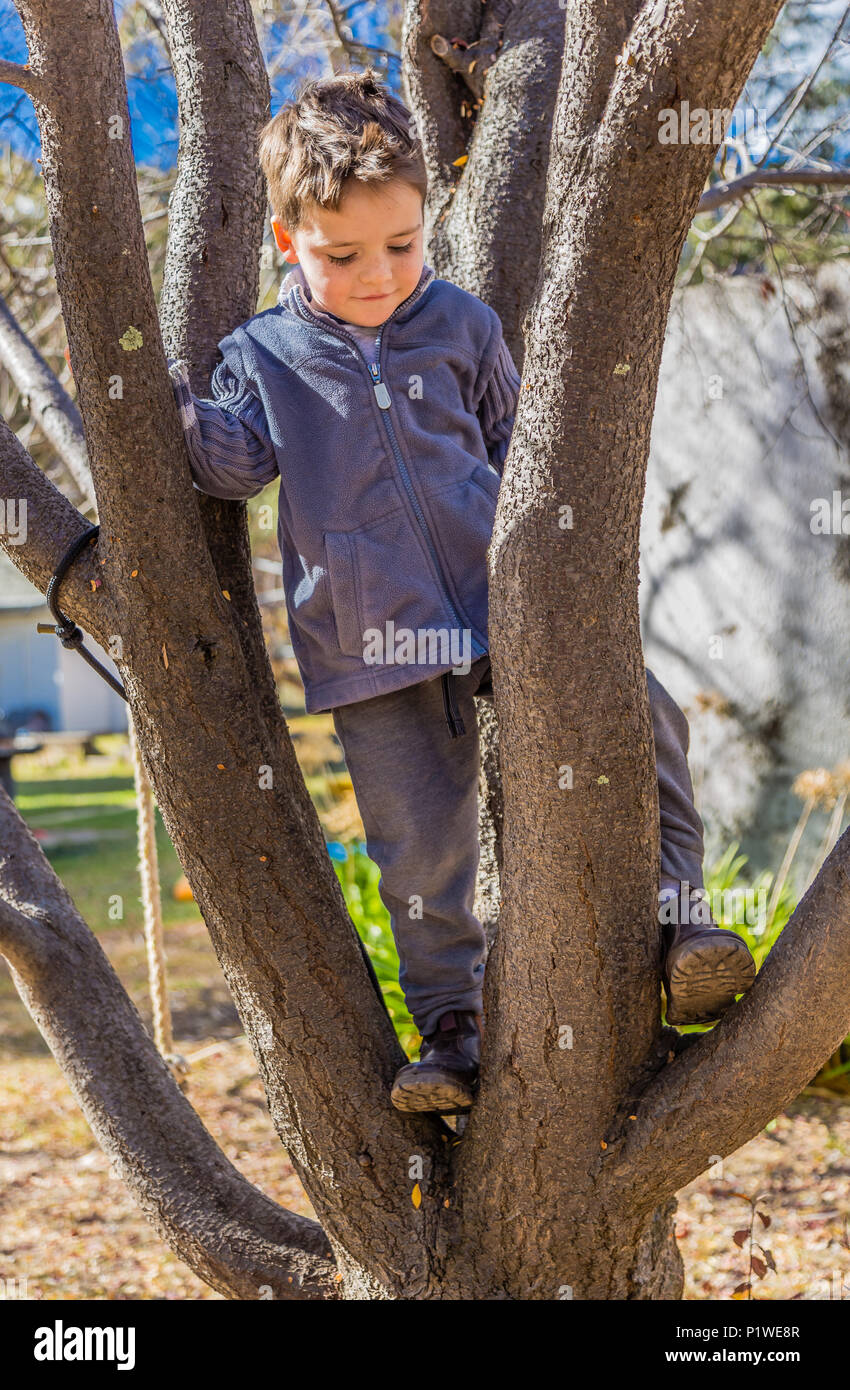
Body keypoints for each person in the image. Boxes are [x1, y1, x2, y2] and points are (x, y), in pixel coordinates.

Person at [168, 68, 756, 1116]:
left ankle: (681, 925)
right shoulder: (262, 354)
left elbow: (515, 450)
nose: (379, 274)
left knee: (639, 713)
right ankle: (453, 1025)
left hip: (500, 605)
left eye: (402, 245)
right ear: (285, 237)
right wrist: (160, 410)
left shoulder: (460, 322)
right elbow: (234, 466)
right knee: (415, 837)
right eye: (341, 254)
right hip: (368, 638)